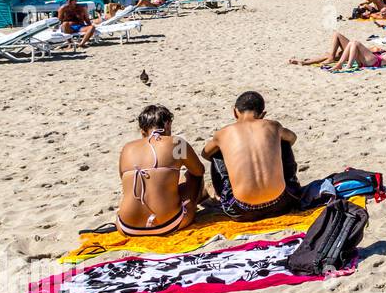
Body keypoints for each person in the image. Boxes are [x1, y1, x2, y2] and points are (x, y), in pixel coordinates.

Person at [201, 91, 303, 221]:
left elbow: (205, 154)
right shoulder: (273, 125)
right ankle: (291, 184)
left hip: (241, 210)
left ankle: (222, 195)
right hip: (282, 204)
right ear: (263, 114)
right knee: (283, 141)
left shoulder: (223, 134)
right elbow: (292, 138)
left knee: (217, 152)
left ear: (234, 112)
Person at [116, 104, 206, 236]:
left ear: (142, 132)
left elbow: (123, 181)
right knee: (194, 175)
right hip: (168, 224)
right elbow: (198, 171)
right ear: (168, 125)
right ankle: (200, 197)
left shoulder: (127, 148)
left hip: (127, 227)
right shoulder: (177, 143)